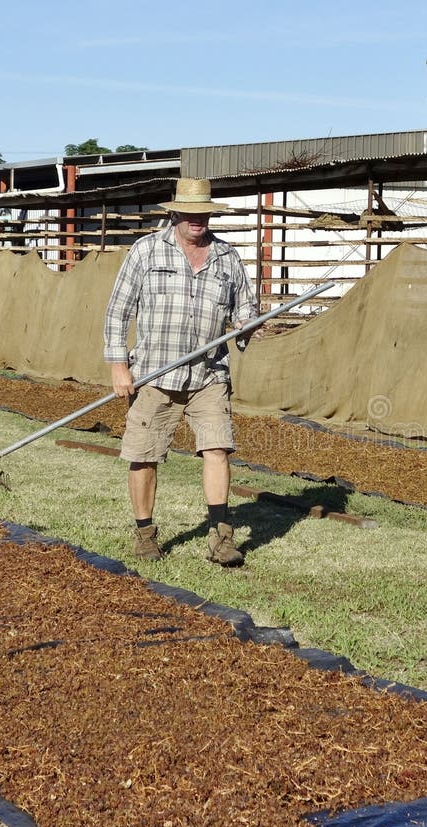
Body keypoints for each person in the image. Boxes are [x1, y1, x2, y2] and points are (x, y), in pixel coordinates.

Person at [103, 177, 258, 566]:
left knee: (218, 448)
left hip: (209, 374)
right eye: (189, 212)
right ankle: (145, 535)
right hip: (156, 375)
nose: (196, 219)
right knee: (144, 455)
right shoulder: (146, 252)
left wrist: (246, 325)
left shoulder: (227, 258)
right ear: (175, 213)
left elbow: (246, 311)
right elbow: (117, 311)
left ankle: (221, 539)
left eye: (203, 213)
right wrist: (119, 366)